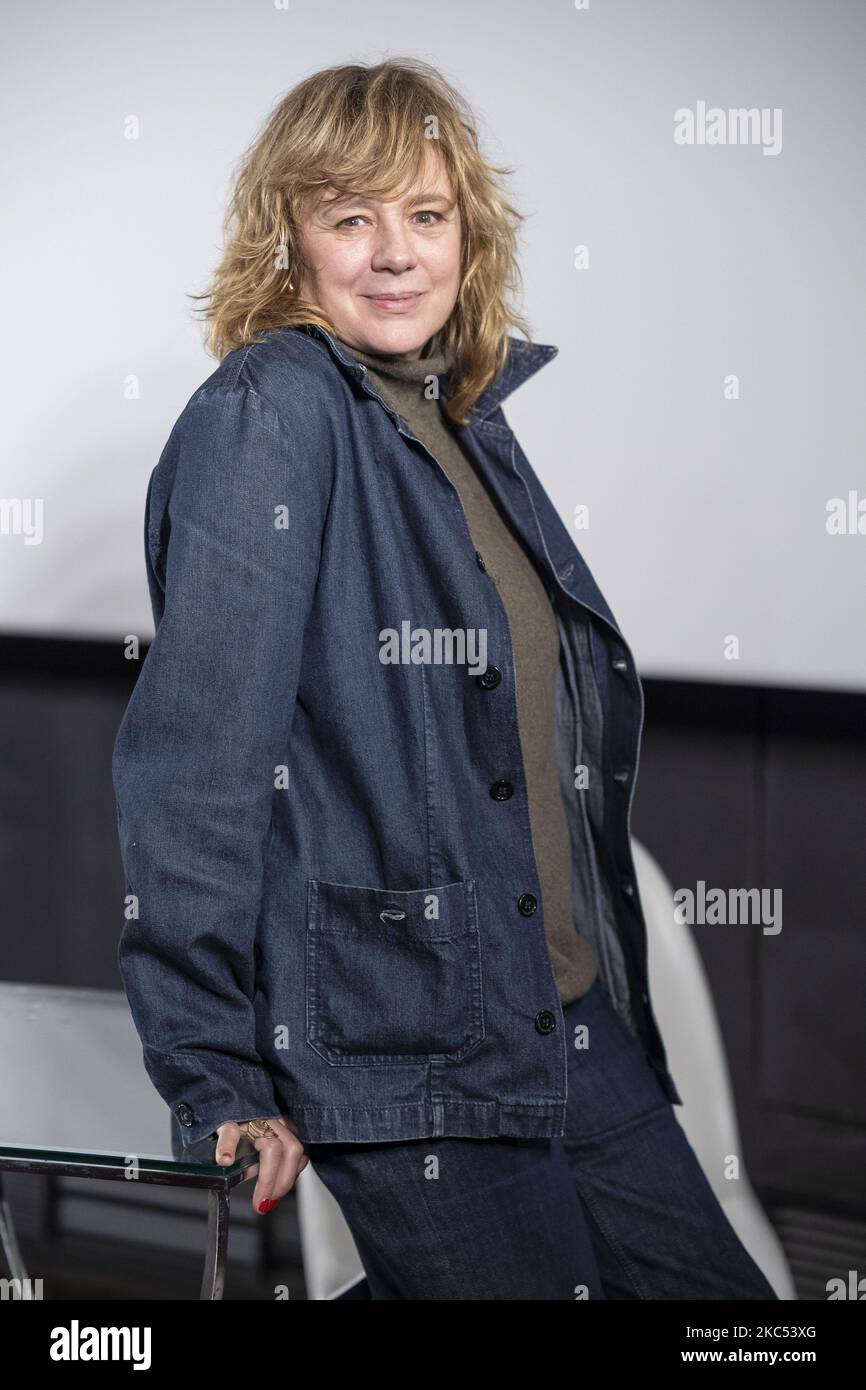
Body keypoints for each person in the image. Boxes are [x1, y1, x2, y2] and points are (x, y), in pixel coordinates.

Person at [113, 57, 777, 1299]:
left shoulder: (459, 408)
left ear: (468, 234)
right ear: (287, 238)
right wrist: (211, 1069)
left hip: (557, 1011)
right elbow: (197, 767)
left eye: (425, 214)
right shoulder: (270, 413)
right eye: (349, 217)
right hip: (402, 1033)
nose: (394, 253)